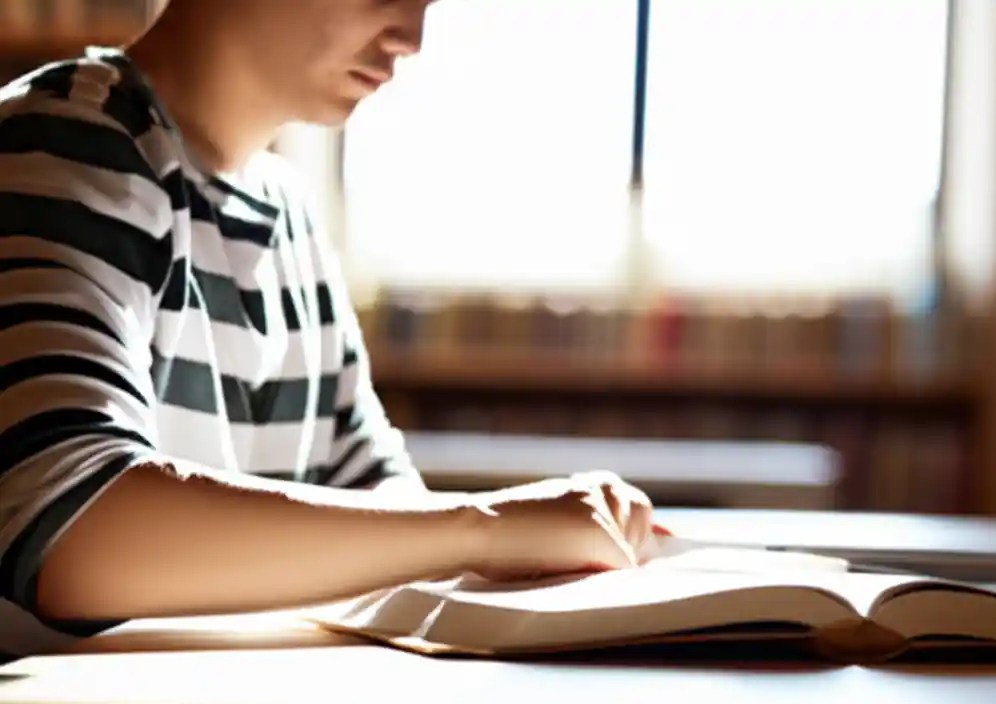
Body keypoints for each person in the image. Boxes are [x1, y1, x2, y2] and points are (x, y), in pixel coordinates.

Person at [0, 0, 657, 662]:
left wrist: (530, 551)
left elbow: (376, 501)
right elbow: (73, 528)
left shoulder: (289, 213)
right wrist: (486, 528)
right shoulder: (57, 148)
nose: (411, 36)